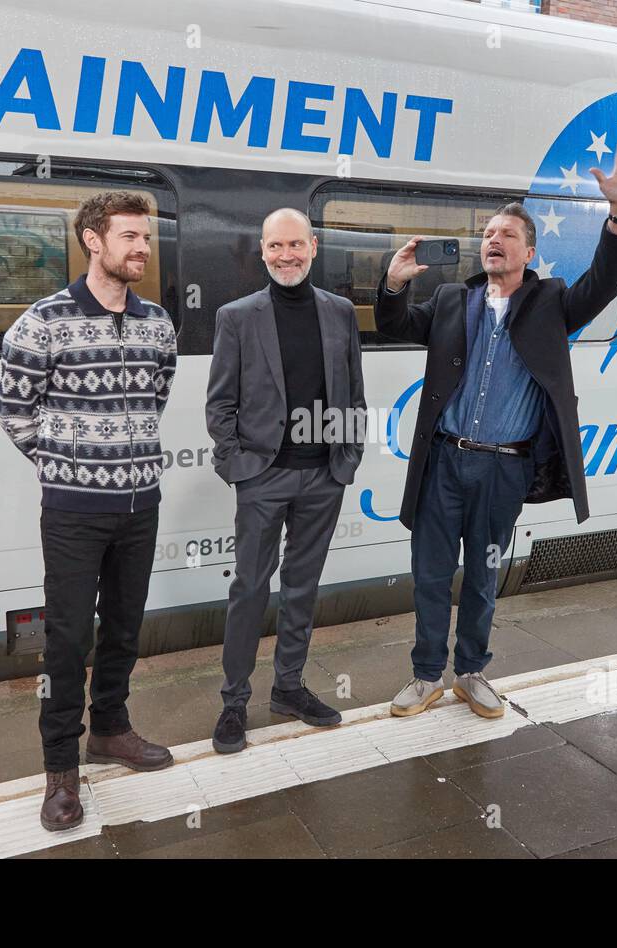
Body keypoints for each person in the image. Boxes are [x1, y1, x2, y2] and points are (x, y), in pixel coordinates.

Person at [376, 139, 617, 720]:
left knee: (482, 573)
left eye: (507, 235)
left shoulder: (552, 302)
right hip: (443, 462)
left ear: (529, 250)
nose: (493, 241)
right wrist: (396, 283)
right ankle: (426, 674)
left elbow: (603, 281)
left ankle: (471, 672)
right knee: (430, 573)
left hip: (504, 468)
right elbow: (396, 324)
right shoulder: (453, 299)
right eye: (488, 235)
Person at [0, 191, 179, 831]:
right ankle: (60, 773)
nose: (142, 248)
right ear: (92, 240)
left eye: (147, 238)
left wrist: (122, 456)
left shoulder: (157, 321)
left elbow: (156, 394)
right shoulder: (41, 322)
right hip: (73, 512)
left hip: (141, 504)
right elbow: (14, 414)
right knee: (68, 640)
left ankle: (110, 731)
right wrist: (70, 464)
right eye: (130, 236)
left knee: (125, 628)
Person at [205, 208, 366, 753]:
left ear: (314, 247)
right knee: (249, 588)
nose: (286, 256)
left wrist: (349, 453)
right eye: (275, 247)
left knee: (302, 587)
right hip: (263, 478)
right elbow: (220, 403)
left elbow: (355, 393)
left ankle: (289, 688)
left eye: (295, 245)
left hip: (324, 475)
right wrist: (239, 467)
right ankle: (234, 703)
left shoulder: (340, 312)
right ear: (263, 251)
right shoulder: (237, 316)